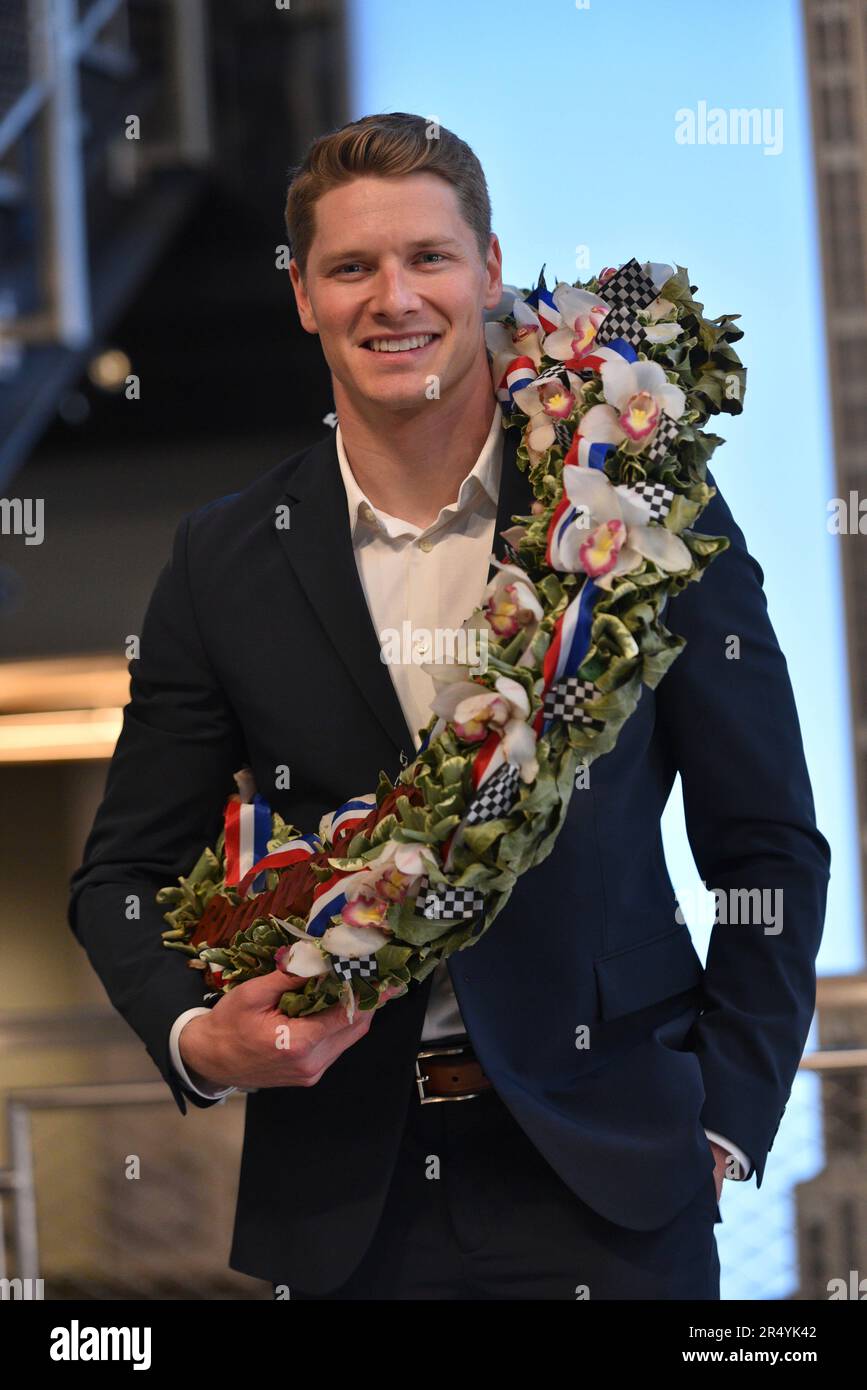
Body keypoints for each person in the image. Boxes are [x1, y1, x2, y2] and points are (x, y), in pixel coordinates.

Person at [68, 111, 831, 1300]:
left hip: (617, 1181)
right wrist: (198, 1039)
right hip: (343, 1208)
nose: (394, 297)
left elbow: (768, 840)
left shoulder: (636, 506)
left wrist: (726, 1119)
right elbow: (121, 873)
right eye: (351, 267)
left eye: (427, 256)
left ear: (488, 270)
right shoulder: (223, 560)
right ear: (303, 295)